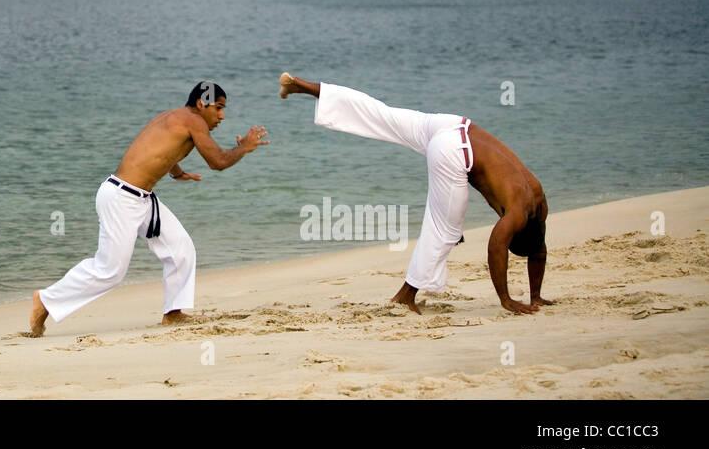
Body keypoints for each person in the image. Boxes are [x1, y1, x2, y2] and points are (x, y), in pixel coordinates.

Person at [278, 72, 551, 315]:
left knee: (380, 115)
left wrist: (535, 295)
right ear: (520, 229)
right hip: (453, 151)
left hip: (454, 125)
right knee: (444, 229)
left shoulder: (539, 200)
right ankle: (405, 296)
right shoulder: (519, 212)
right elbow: (496, 246)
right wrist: (505, 299)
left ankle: (302, 86)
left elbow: (538, 247)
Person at [28, 81, 269, 336]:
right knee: (110, 271)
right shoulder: (193, 121)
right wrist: (244, 148)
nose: (222, 115)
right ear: (201, 103)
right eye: (218, 107)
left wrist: (178, 173)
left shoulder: (176, 118)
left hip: (141, 199)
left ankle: (173, 313)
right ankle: (45, 301)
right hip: (121, 198)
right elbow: (218, 162)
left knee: (181, 248)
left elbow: (161, 151)